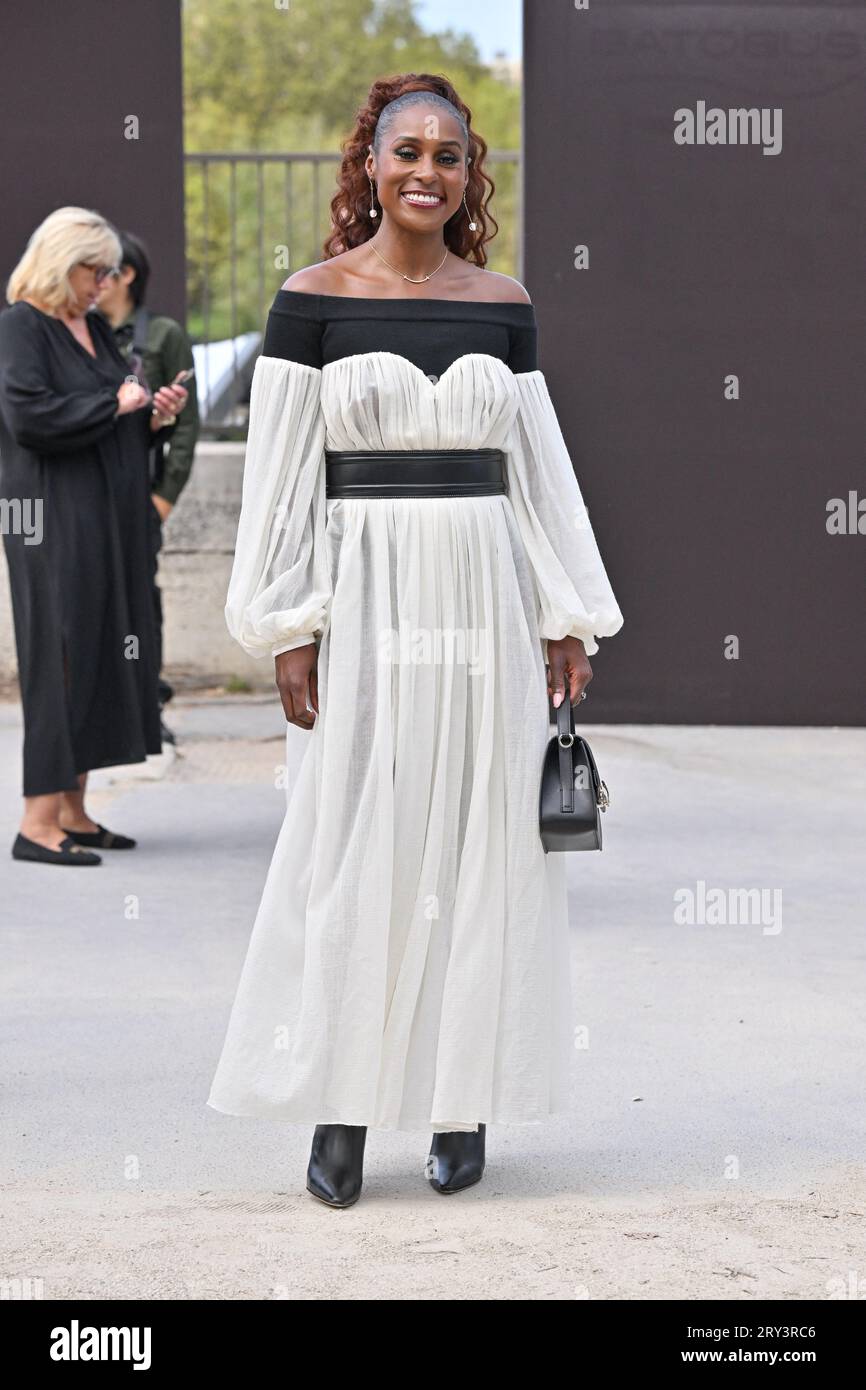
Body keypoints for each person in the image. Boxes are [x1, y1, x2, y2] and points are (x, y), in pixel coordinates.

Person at [207, 75, 624, 1205]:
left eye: (448, 152)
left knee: (482, 845)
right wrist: (290, 626)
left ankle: (459, 1096)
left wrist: (562, 612)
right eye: (406, 150)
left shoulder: (502, 300)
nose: (426, 170)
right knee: (352, 840)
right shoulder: (312, 298)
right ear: (370, 164)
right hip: (366, 594)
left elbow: (538, 473)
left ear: (466, 171)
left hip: (485, 591)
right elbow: (285, 483)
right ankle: (340, 1107)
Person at [0, 207, 189, 866]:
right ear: (61, 262)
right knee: (62, 655)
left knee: (101, 650)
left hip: (107, 515)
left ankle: (76, 812)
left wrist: (155, 417)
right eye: (95, 271)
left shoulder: (96, 332)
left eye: (110, 273)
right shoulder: (22, 328)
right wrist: (117, 404)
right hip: (48, 517)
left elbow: (119, 415)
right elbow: (30, 418)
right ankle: (37, 822)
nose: (105, 284)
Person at [96, 231, 200, 742]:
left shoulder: (162, 335)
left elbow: (186, 429)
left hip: (140, 495)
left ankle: (145, 703)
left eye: (100, 268)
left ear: (126, 274)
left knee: (141, 602)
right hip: (88, 493)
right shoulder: (82, 333)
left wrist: (162, 499)